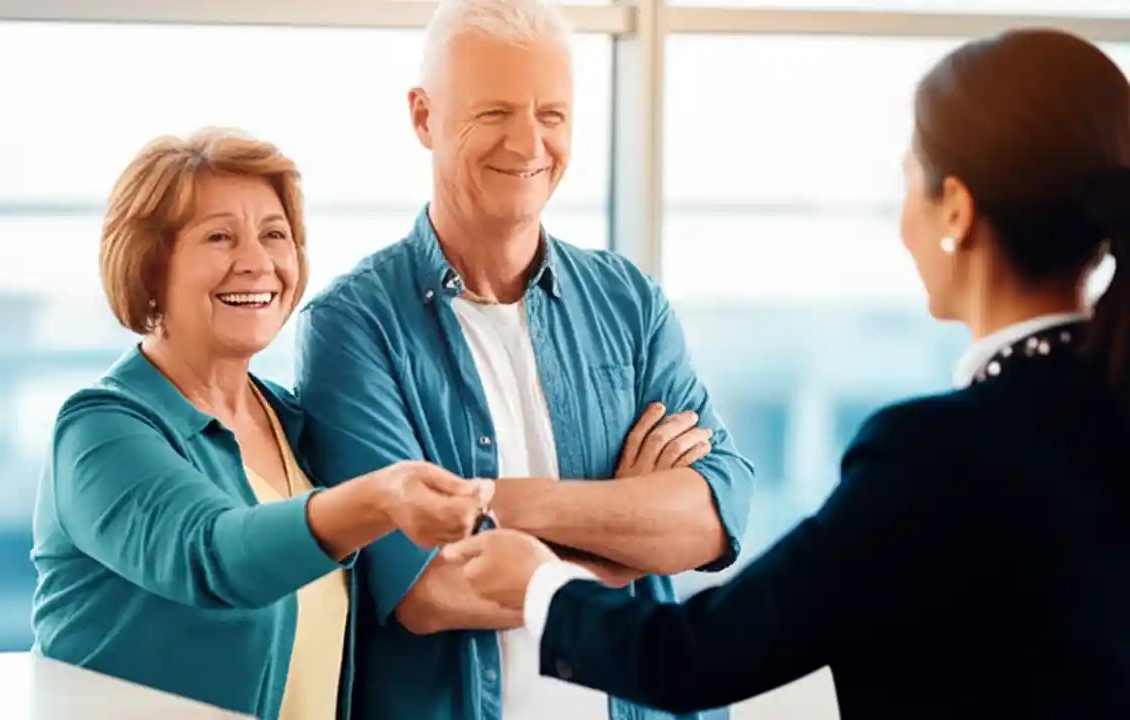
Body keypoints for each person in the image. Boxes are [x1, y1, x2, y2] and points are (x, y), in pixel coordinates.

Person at [446, 27, 1130, 719]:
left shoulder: (935, 454)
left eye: (908, 188)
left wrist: (539, 581)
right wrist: (618, 541)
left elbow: (692, 657)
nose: (904, 225)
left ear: (955, 207)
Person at [294, 1, 754, 718]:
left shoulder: (628, 302)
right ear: (423, 117)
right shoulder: (351, 328)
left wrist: (499, 503)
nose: (529, 141)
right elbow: (427, 592)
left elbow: (714, 518)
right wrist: (623, 547)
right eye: (494, 112)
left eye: (552, 114)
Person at [30, 128, 494, 720]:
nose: (256, 263)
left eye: (274, 235)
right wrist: (379, 499)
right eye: (219, 237)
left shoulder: (296, 425)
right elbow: (214, 554)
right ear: (151, 267)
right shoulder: (99, 433)